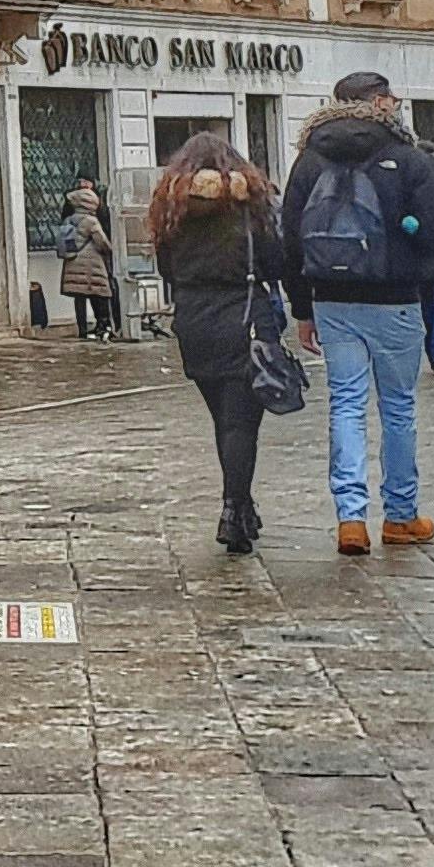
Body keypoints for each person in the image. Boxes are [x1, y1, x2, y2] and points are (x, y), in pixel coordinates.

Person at [282, 71, 434, 555]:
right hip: (395, 299)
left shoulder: (309, 159)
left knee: (346, 405)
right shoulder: (409, 157)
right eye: (393, 99)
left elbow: (290, 238)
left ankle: (351, 520)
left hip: (331, 301)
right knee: (398, 409)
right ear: (378, 103)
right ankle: (400, 516)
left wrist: (302, 307)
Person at [157, 131, 290, 556]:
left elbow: (167, 270)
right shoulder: (251, 206)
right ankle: (233, 512)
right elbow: (276, 262)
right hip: (245, 318)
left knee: (223, 418)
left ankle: (243, 505)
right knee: (240, 422)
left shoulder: (172, 209)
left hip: (194, 321)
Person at [56, 185, 122, 341]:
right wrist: (112, 250)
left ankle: (82, 328)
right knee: (98, 295)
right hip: (92, 265)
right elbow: (102, 242)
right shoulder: (91, 221)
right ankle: (102, 325)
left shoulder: (69, 219)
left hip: (73, 262)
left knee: (79, 298)